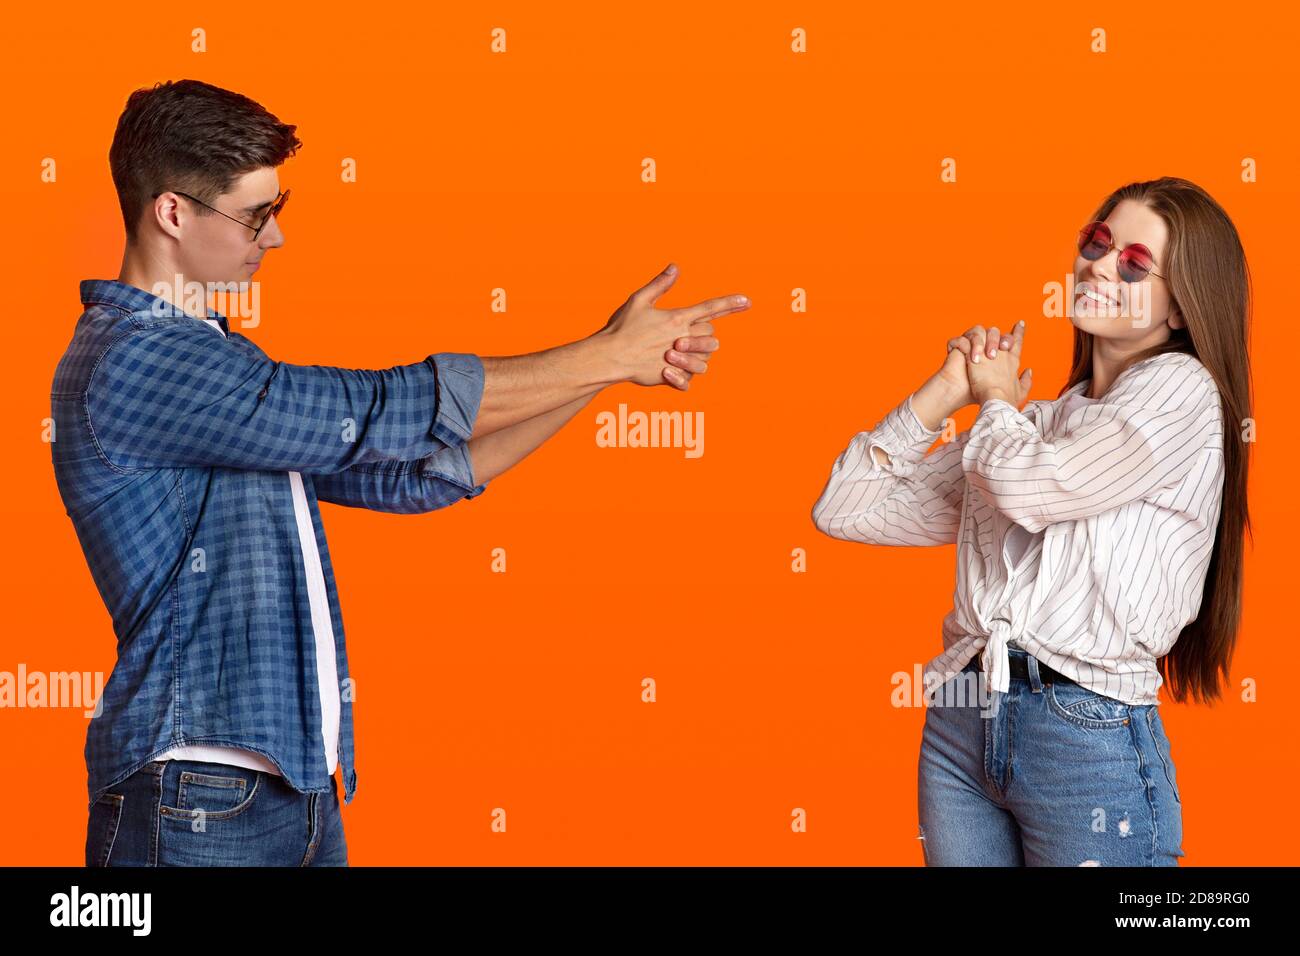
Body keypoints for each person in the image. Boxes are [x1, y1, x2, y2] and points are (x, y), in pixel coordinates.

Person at [56, 79, 750, 866]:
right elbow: (376, 406)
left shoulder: (217, 357)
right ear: (173, 213)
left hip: (295, 789)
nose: (274, 238)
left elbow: (412, 474)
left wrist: (605, 369)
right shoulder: (139, 361)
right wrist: (598, 355)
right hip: (194, 801)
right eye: (256, 215)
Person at [811, 176, 1251, 865]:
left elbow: (1033, 487)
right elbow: (846, 508)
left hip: (1086, 732)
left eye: (1134, 262)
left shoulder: (1181, 392)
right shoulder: (1033, 423)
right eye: (1097, 242)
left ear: (1181, 308)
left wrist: (991, 404)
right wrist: (942, 394)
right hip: (963, 721)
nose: (1101, 265)